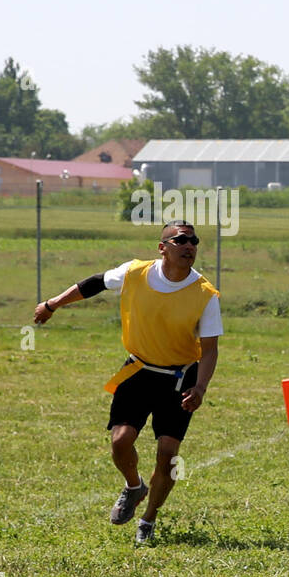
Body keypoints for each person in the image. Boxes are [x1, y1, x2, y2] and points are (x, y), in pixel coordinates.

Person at [32, 220, 221, 545]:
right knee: (120, 442)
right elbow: (93, 284)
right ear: (162, 247)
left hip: (180, 378)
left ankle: (148, 519)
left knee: (167, 455)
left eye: (194, 241)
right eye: (181, 240)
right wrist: (52, 305)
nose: (189, 246)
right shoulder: (135, 272)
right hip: (137, 370)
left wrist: (200, 388)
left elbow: (211, 349)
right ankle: (134, 486)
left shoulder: (204, 294)